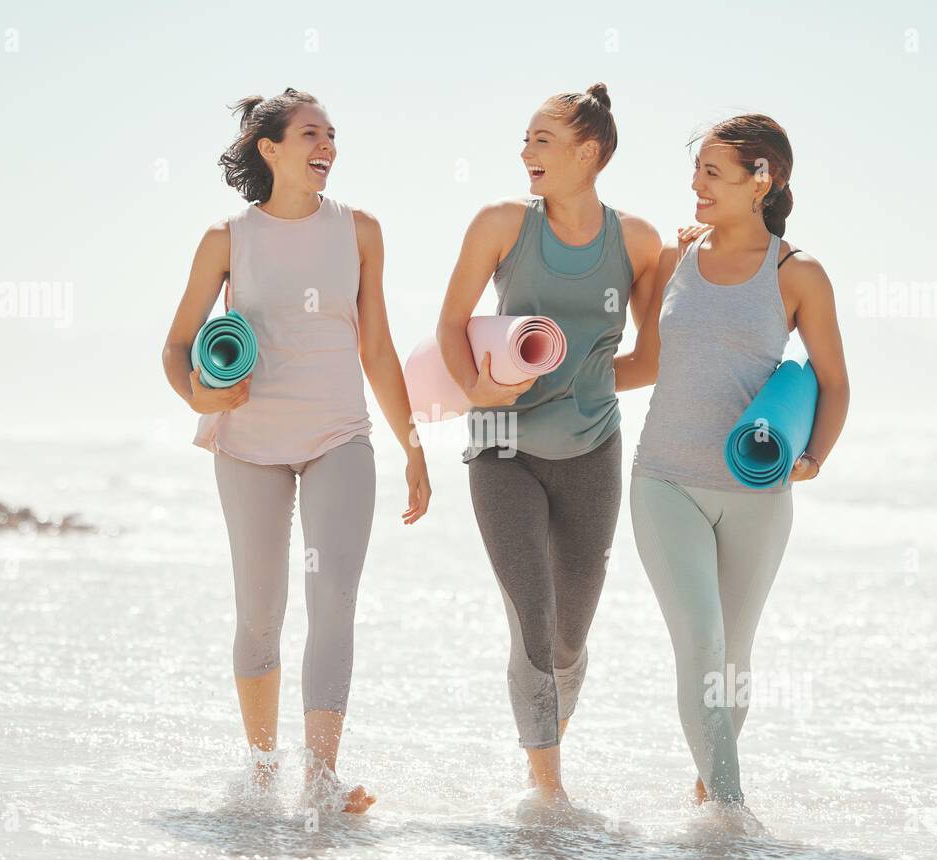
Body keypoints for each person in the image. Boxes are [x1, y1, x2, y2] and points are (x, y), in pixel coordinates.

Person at [160, 88, 432, 814]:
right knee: (260, 612)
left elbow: (375, 344)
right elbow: (178, 345)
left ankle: (321, 776)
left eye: (333, 135)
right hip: (249, 443)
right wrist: (199, 395)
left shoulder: (361, 231)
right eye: (312, 134)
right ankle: (259, 770)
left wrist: (412, 444)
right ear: (269, 148)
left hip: (339, 435)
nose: (328, 147)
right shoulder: (227, 238)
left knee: (332, 599)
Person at [436, 83, 662, 820]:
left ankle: (543, 734)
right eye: (526, 138)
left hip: (592, 448)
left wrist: (583, 382)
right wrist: (477, 388)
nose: (525, 151)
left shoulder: (636, 242)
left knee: (570, 634)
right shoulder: (501, 224)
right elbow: (451, 322)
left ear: (587, 152)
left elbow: (649, 357)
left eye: (541, 139)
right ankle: (548, 792)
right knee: (530, 616)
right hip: (501, 446)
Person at [618, 114, 849, 819]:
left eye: (711, 173)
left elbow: (833, 380)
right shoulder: (674, 257)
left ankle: (710, 786)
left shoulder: (798, 271)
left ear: (761, 180)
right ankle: (731, 804)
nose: (696, 185)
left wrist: (814, 455)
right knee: (701, 637)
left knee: (735, 652)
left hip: (755, 488)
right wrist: (558, 380)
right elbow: (648, 363)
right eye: (696, 172)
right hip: (664, 478)